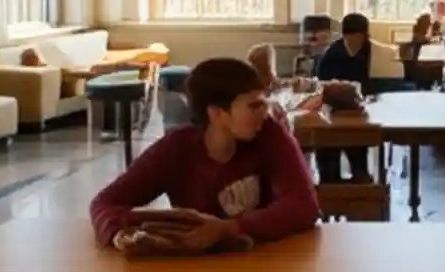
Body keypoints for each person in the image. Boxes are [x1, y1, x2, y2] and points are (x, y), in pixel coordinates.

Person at [89, 58, 319, 253]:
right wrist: (118, 233)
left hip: (265, 264)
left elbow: (304, 205)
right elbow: (105, 203)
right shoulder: (177, 148)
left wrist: (229, 228)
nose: (265, 113)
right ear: (218, 113)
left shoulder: (269, 134)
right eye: (254, 106)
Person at [313, 13, 372, 181]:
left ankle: (361, 181)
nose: (358, 42)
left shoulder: (370, 52)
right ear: (345, 36)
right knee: (329, 157)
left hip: (359, 113)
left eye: (361, 37)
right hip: (333, 114)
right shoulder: (331, 56)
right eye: (354, 37)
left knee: (359, 152)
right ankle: (331, 185)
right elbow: (322, 90)